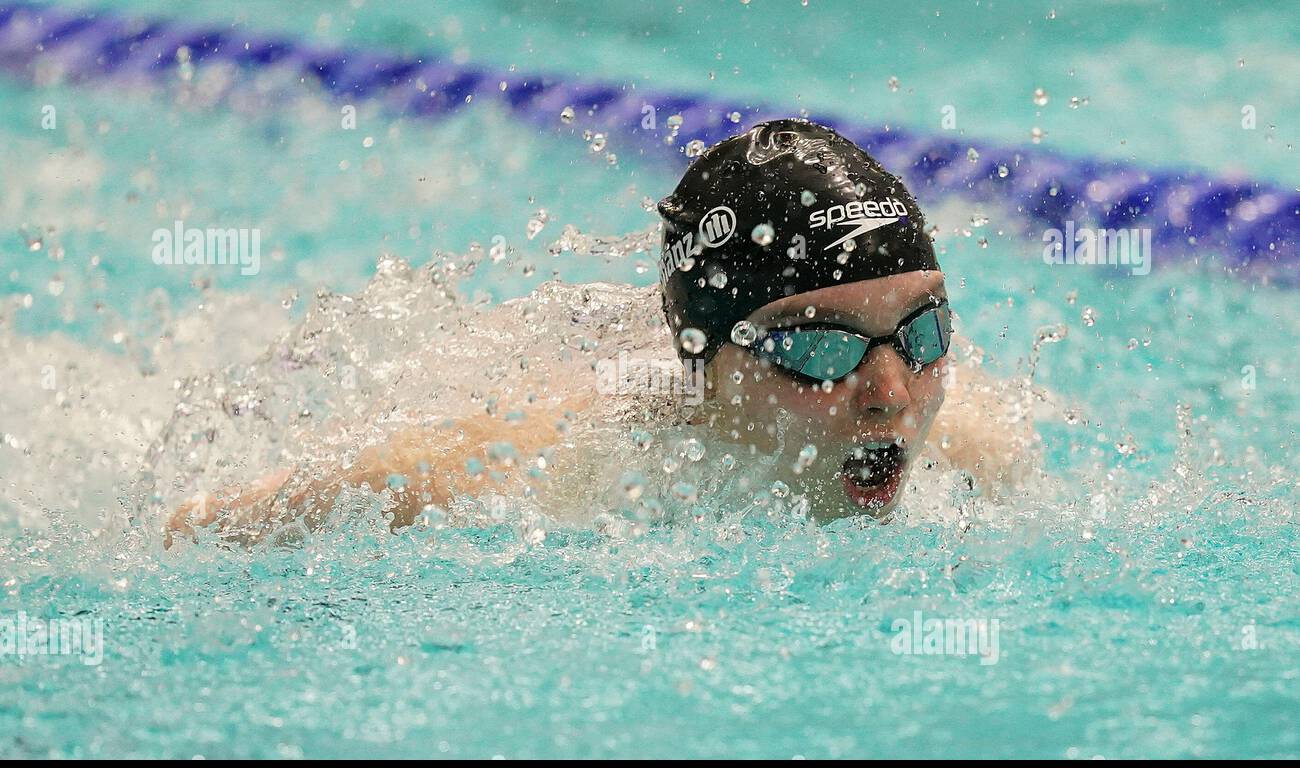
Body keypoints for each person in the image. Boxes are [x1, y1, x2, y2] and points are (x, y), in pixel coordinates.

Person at [166, 119, 1035, 547]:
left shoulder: (972, 439)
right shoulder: (534, 465)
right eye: (818, 349)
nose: (889, 396)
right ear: (706, 361)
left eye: (922, 333)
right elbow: (196, 534)